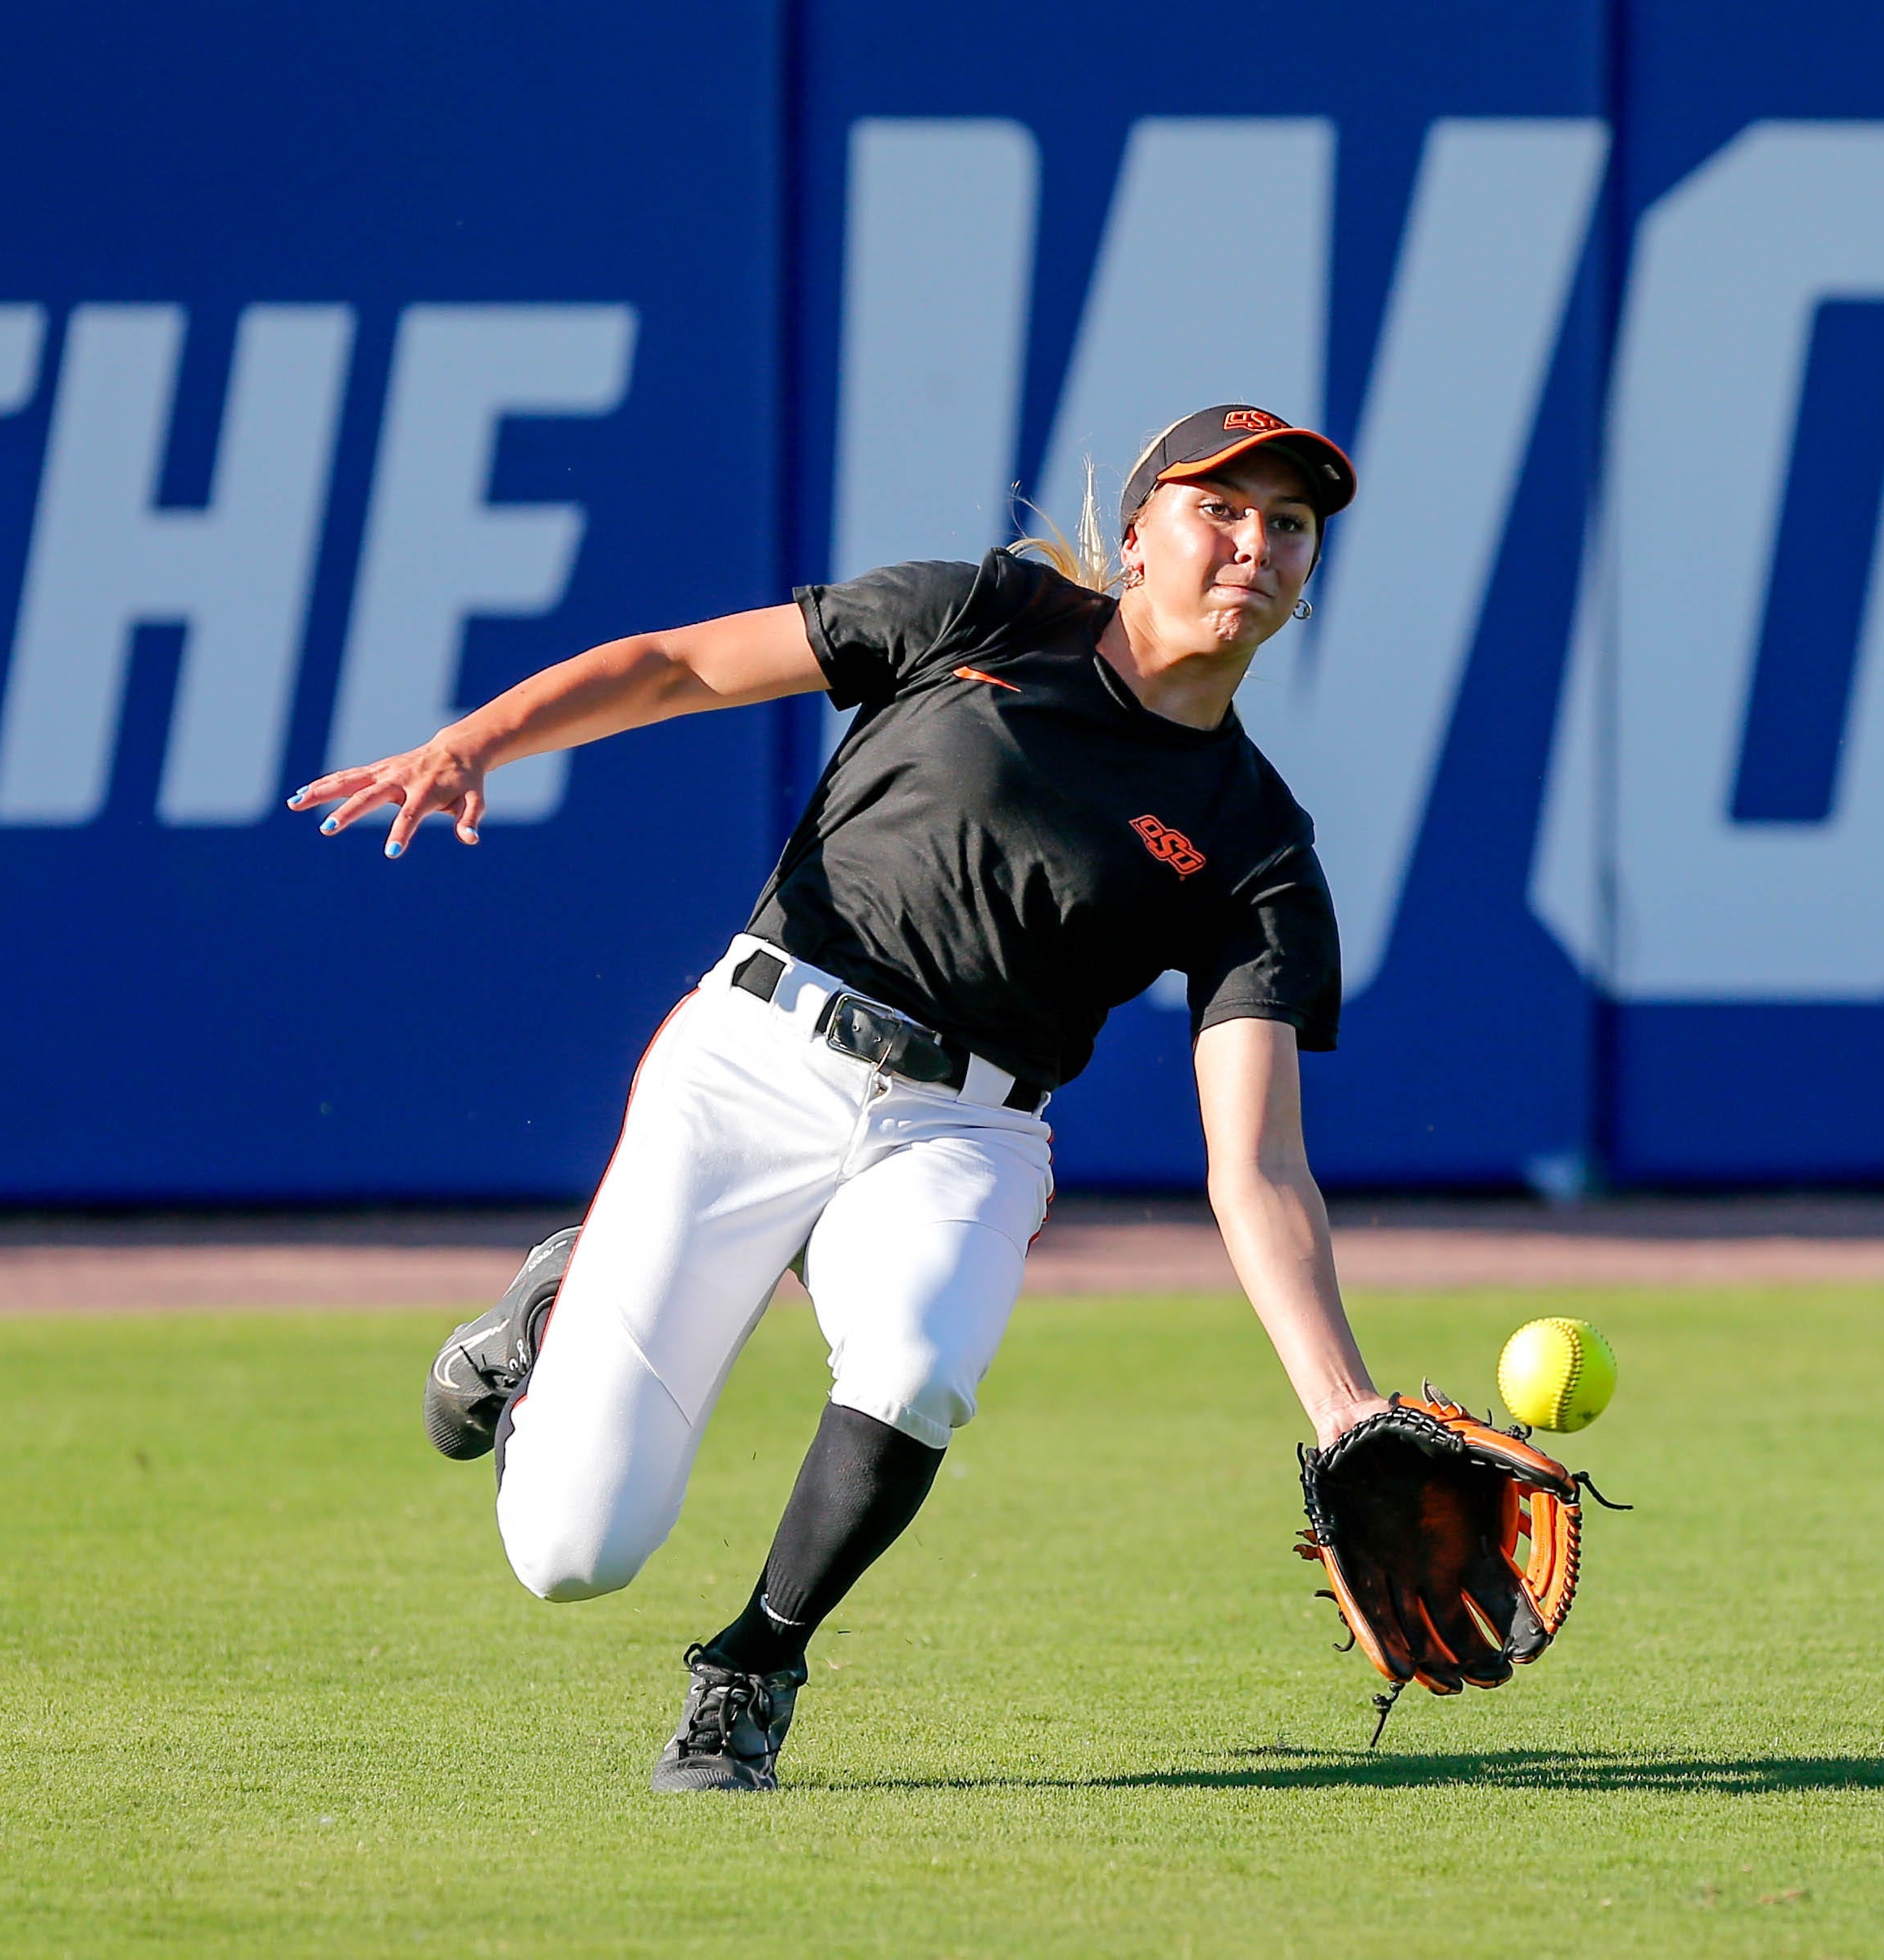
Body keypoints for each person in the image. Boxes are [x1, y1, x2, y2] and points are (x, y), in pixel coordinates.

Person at [292, 405, 1384, 1793]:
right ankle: (554, 1315)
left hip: (961, 1128)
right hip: (751, 1059)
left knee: (923, 1360)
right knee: (570, 1555)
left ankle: (752, 1666)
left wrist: (1338, 1400)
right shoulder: (983, 615)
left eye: (1288, 524)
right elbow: (682, 664)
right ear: (1136, 538)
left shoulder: (1255, 846)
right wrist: (478, 741)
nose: (1255, 543)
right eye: (1218, 509)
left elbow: (1258, 1167)